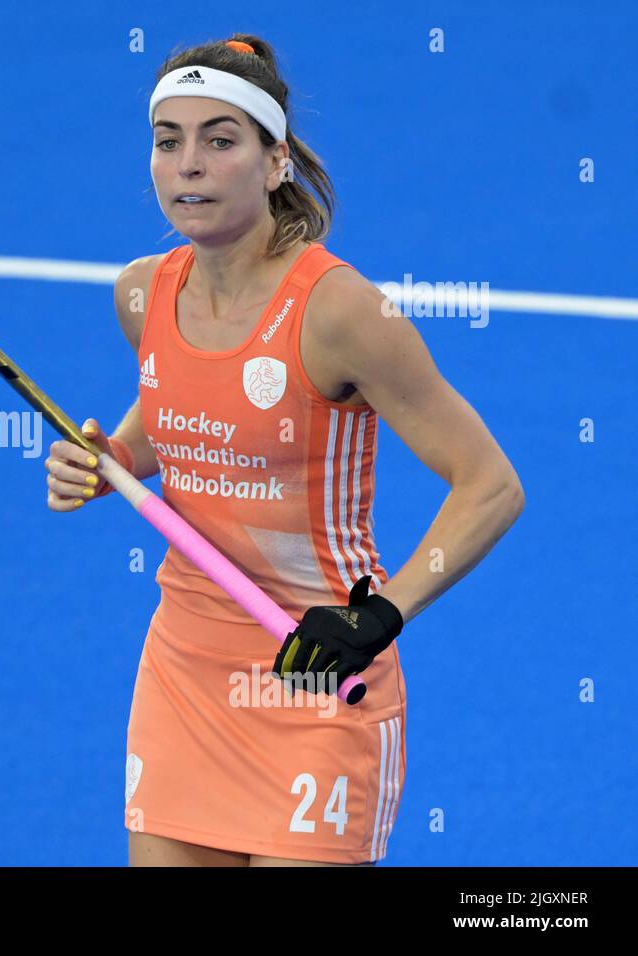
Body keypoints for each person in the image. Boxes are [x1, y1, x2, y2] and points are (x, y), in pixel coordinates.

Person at [44, 34, 524, 867]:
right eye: (169, 142)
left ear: (274, 164)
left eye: (220, 140)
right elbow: (179, 412)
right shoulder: (140, 293)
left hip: (317, 676)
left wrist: (378, 617)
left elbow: (490, 485)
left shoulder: (339, 314)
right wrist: (106, 456)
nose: (188, 164)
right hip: (184, 672)